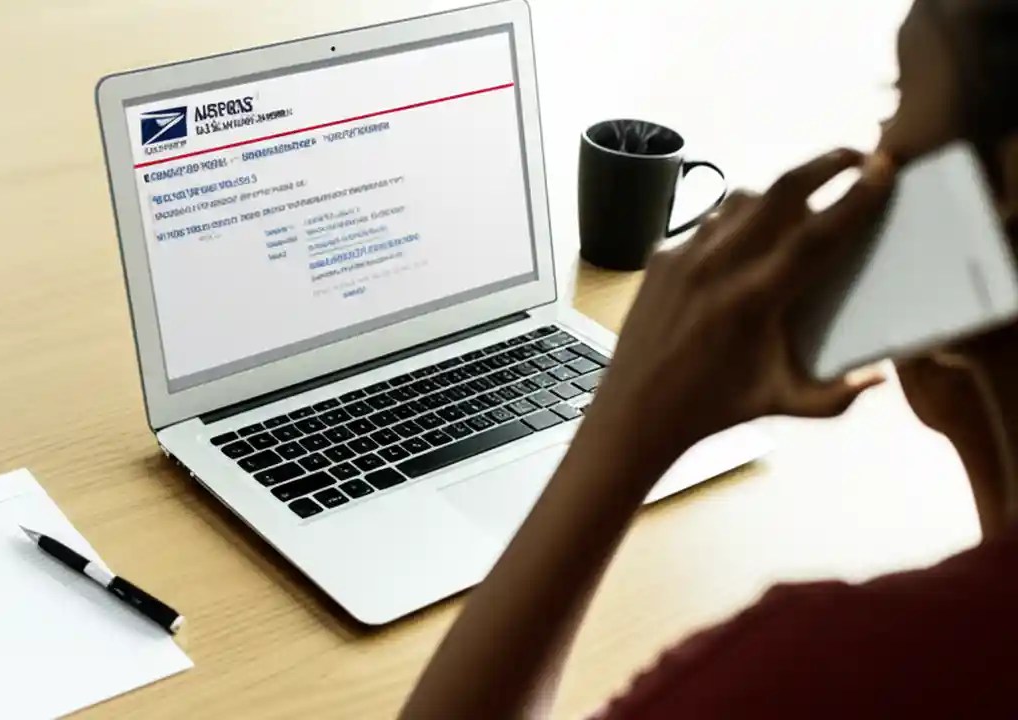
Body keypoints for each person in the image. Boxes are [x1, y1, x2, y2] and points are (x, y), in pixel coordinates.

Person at [401, 0, 1018, 717]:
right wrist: (975, 401)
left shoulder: (816, 669)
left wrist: (625, 426)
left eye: (903, 93)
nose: (881, 141)